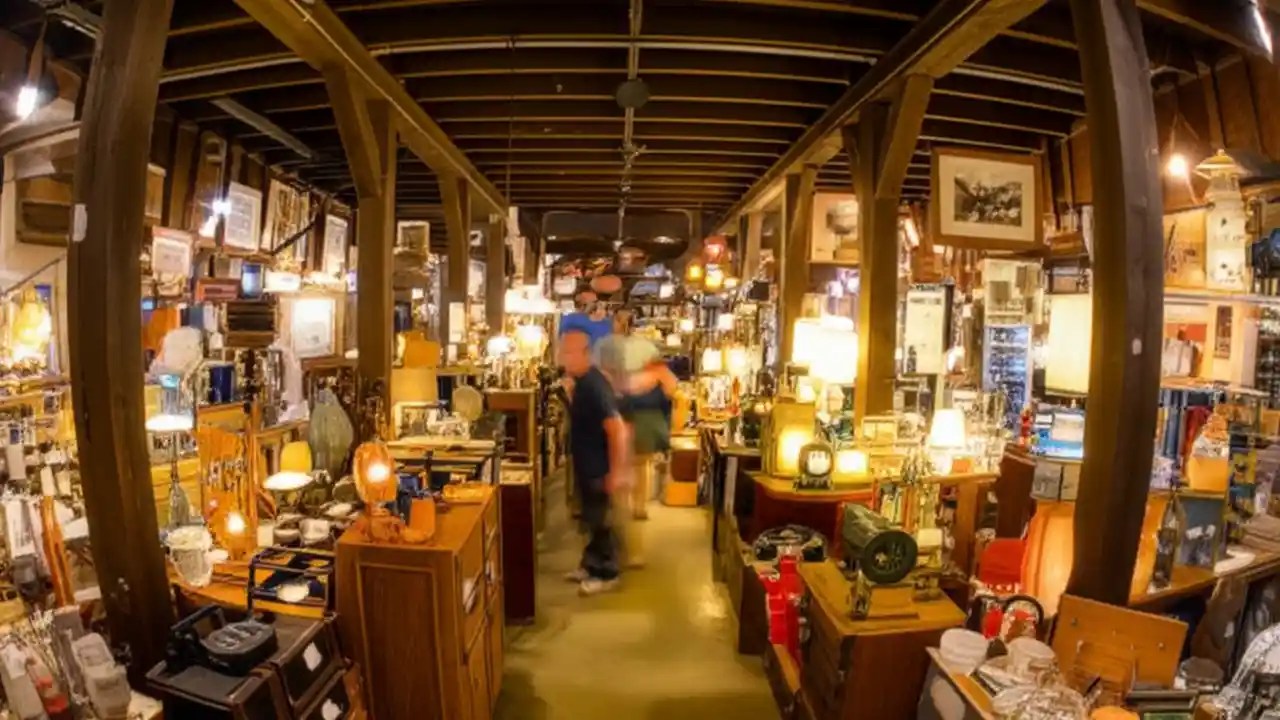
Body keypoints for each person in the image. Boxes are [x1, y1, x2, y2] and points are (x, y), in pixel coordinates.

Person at [560, 329, 630, 596]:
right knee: (591, 519)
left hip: (599, 467)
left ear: (585, 354)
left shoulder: (594, 385)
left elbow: (617, 429)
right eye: (563, 352)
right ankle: (590, 565)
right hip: (587, 465)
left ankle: (607, 573)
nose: (564, 358)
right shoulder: (582, 383)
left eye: (569, 353)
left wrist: (616, 471)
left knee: (601, 523)